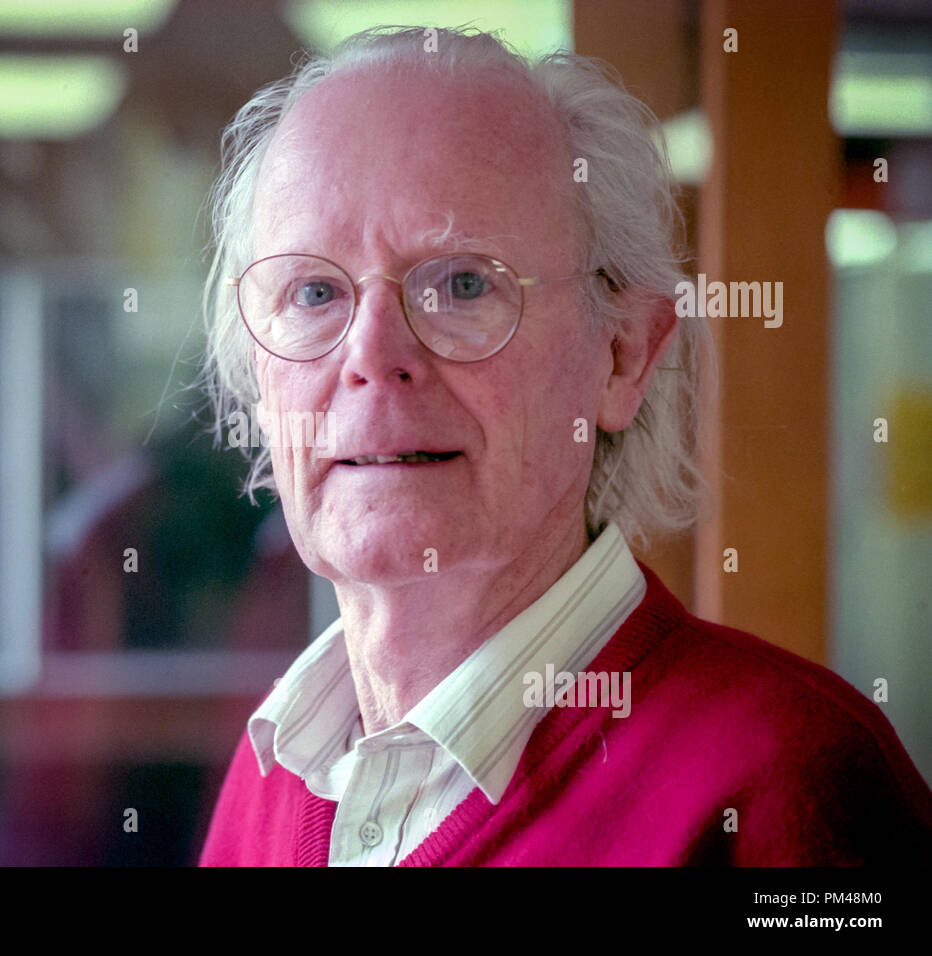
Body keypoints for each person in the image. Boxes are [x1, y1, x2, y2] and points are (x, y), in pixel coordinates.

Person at [195, 26, 932, 865]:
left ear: (623, 355)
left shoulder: (785, 783)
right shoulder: (273, 776)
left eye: (462, 284)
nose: (371, 357)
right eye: (314, 291)